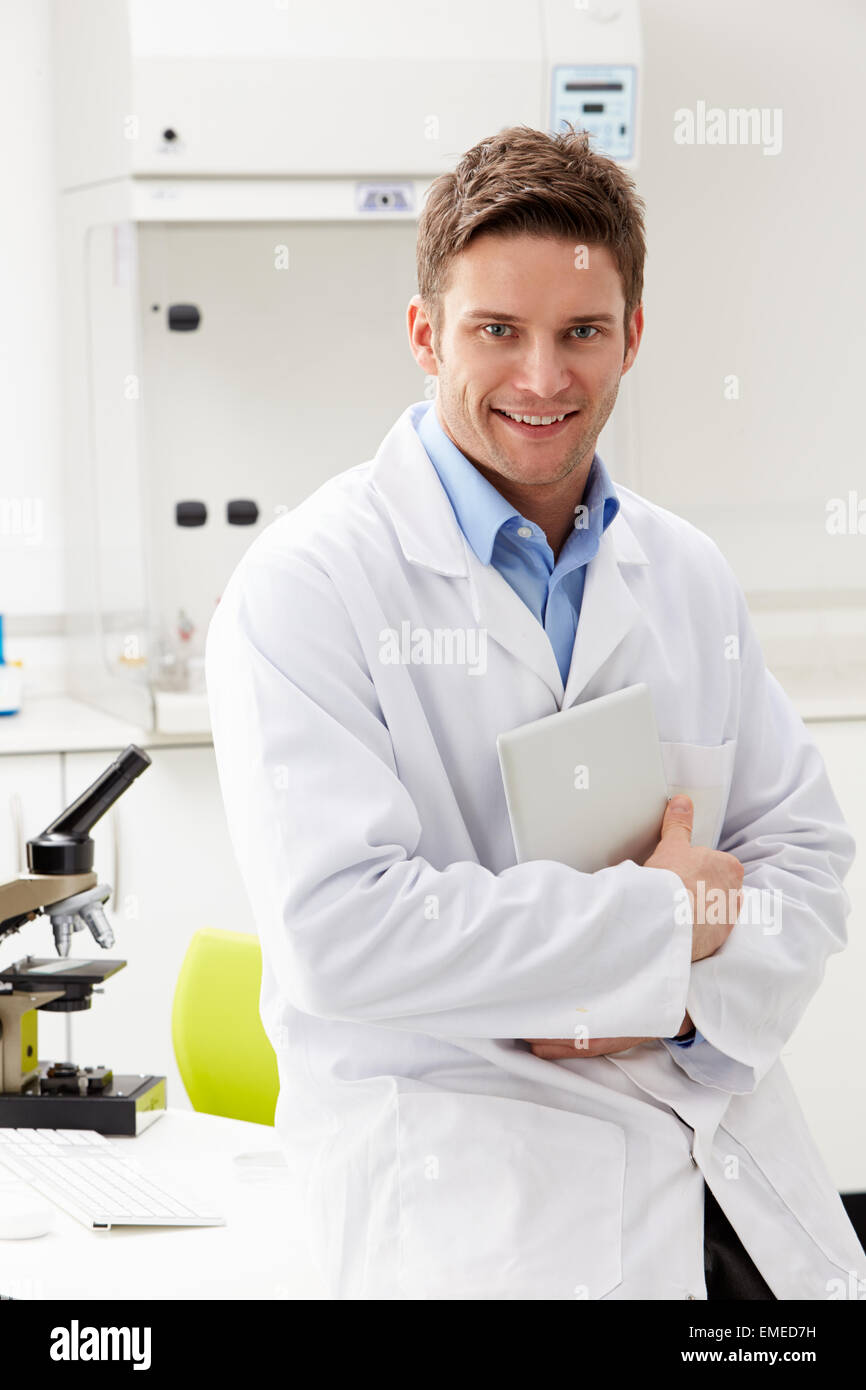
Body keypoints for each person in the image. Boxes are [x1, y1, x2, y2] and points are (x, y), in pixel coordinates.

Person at [206, 123, 865, 1300]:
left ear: (632, 337)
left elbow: (804, 861)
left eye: (580, 332)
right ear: (424, 334)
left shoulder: (685, 572)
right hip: (474, 1217)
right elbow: (345, 936)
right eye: (495, 331)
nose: (543, 379)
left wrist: (669, 1010)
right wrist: (666, 921)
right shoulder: (307, 587)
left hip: (731, 1186)